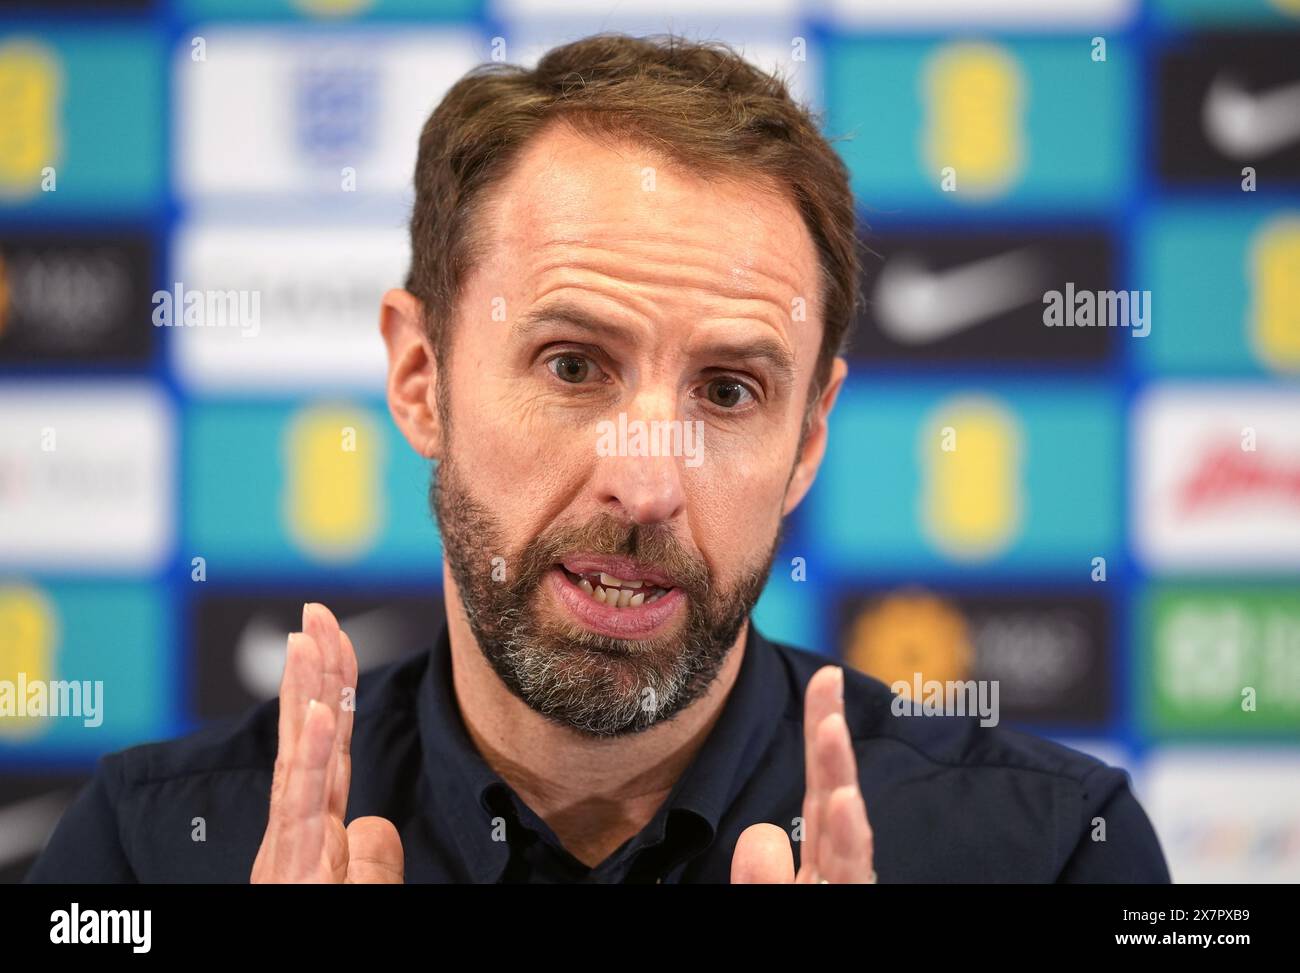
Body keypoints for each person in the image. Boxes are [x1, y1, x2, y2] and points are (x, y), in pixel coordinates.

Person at [26, 32, 1169, 884]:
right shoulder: (146, 847)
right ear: (421, 376)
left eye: (728, 392)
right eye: (574, 366)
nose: (647, 481)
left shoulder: (1056, 849)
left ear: (807, 439)